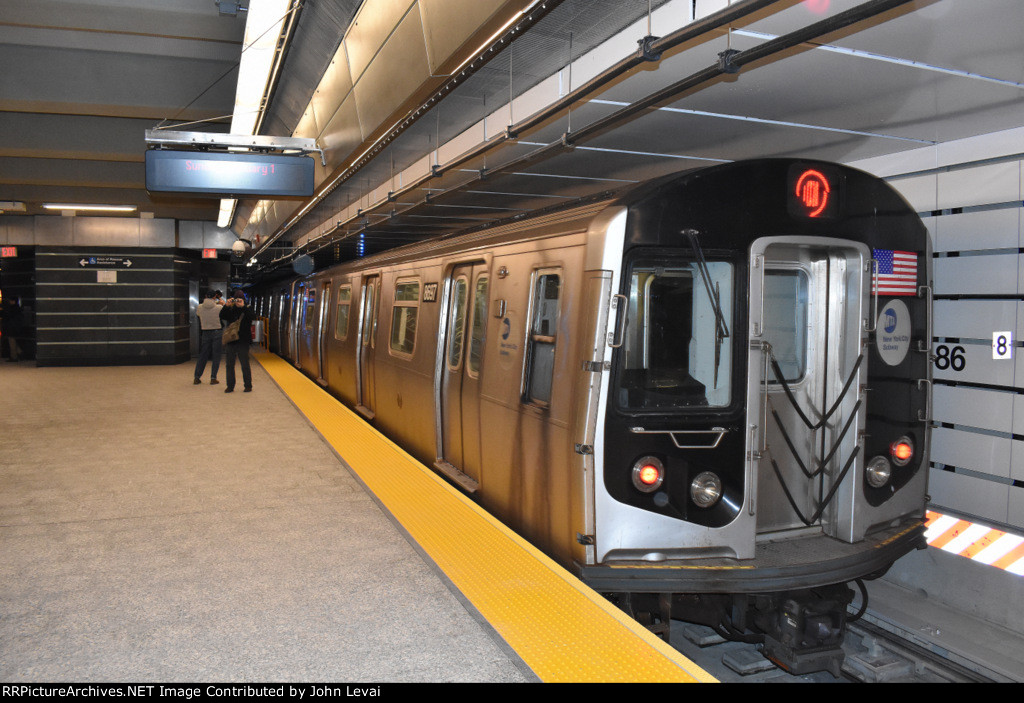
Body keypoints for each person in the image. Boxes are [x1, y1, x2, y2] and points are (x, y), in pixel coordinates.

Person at [219, 288, 255, 393]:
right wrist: (226, 306)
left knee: (245, 364)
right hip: (231, 340)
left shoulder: (247, 308)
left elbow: (252, 317)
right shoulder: (231, 308)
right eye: (236, 299)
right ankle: (230, 386)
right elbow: (222, 316)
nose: (238, 301)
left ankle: (248, 385)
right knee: (229, 364)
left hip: (243, 340)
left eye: (240, 299)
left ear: (243, 300)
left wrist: (243, 307)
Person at [193, 289, 223, 385]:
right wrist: (221, 303)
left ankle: (197, 377)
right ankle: (213, 378)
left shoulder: (200, 307)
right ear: (215, 297)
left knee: (203, 355)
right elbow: (224, 314)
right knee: (216, 355)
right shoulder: (219, 307)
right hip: (217, 331)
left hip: (205, 332)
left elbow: (198, 314)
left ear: (206, 296)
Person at [1, 293, 25, 362]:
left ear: (13, 301)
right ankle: (20, 352)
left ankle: (14, 356)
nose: (9, 302)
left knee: (12, 341)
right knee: (13, 341)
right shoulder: (18, 309)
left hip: (12, 327)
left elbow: (7, 316)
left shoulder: (12, 309)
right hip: (16, 327)